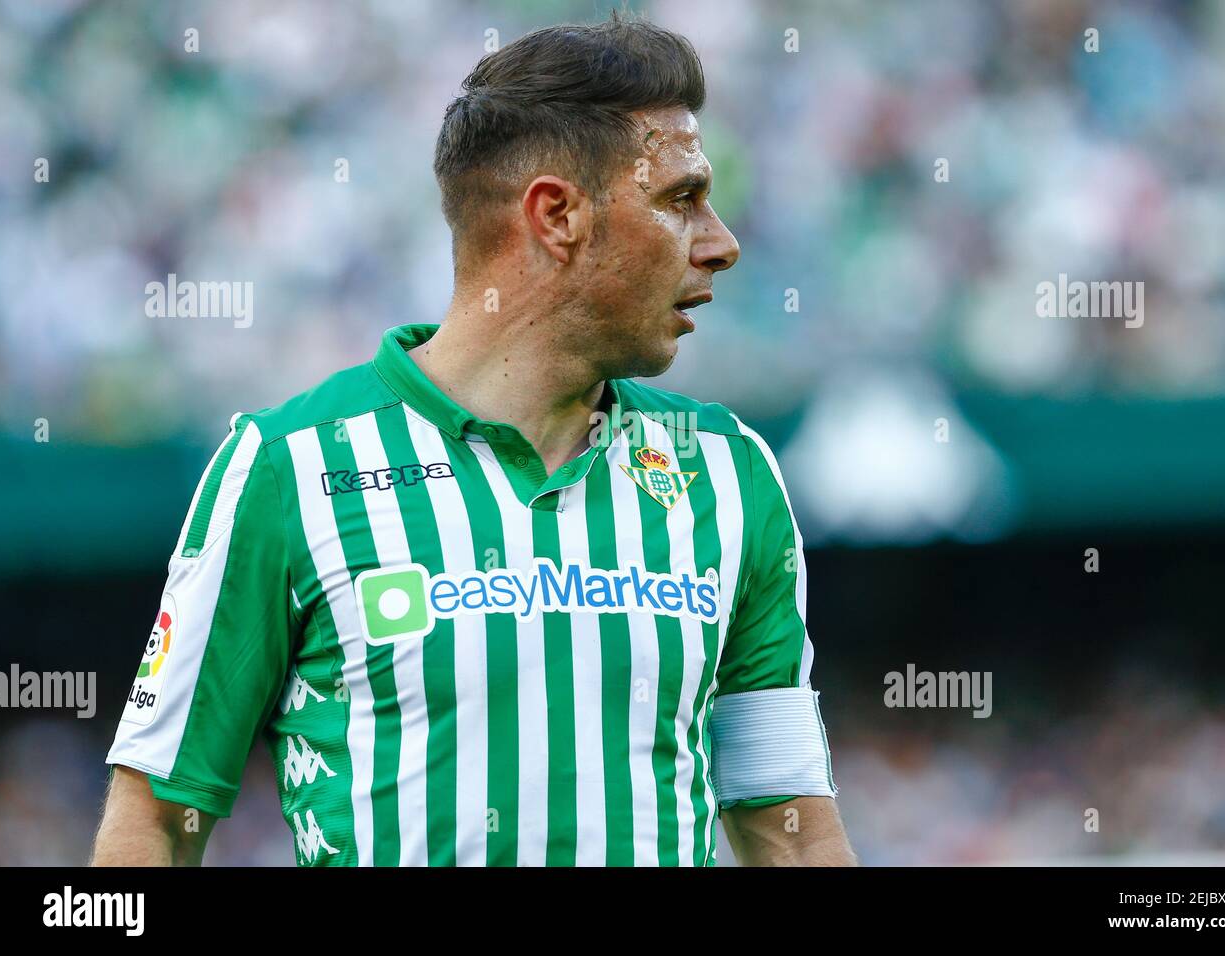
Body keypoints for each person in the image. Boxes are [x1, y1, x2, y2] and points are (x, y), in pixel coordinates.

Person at [92, 11, 856, 867]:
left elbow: (788, 830)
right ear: (558, 215)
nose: (722, 244)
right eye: (681, 200)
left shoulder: (725, 472)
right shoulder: (291, 468)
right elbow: (156, 822)